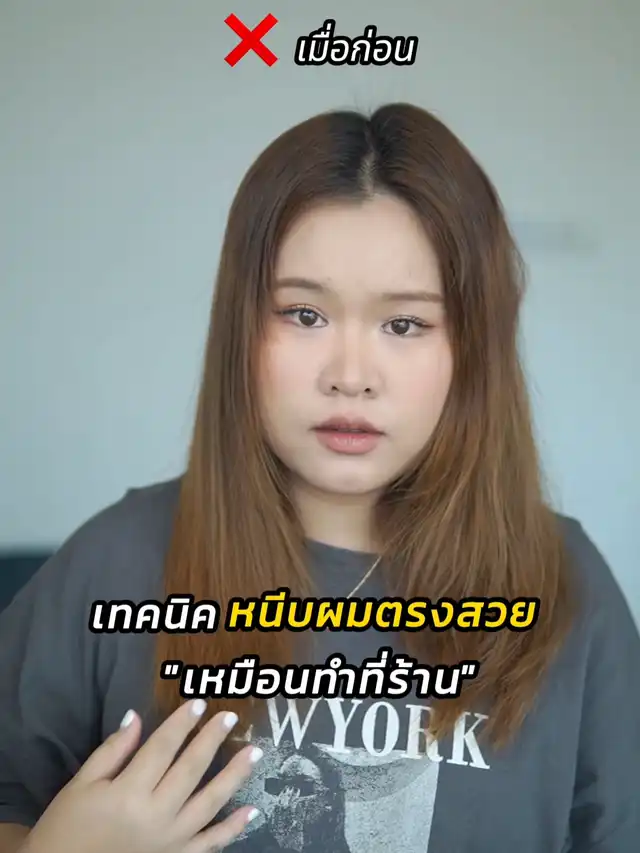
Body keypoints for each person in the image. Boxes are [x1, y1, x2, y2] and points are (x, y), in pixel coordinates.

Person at [0, 102, 638, 853]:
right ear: (242, 328)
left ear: (471, 351)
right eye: (304, 314)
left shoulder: (569, 584)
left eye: (404, 324)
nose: (350, 375)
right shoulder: (116, 559)